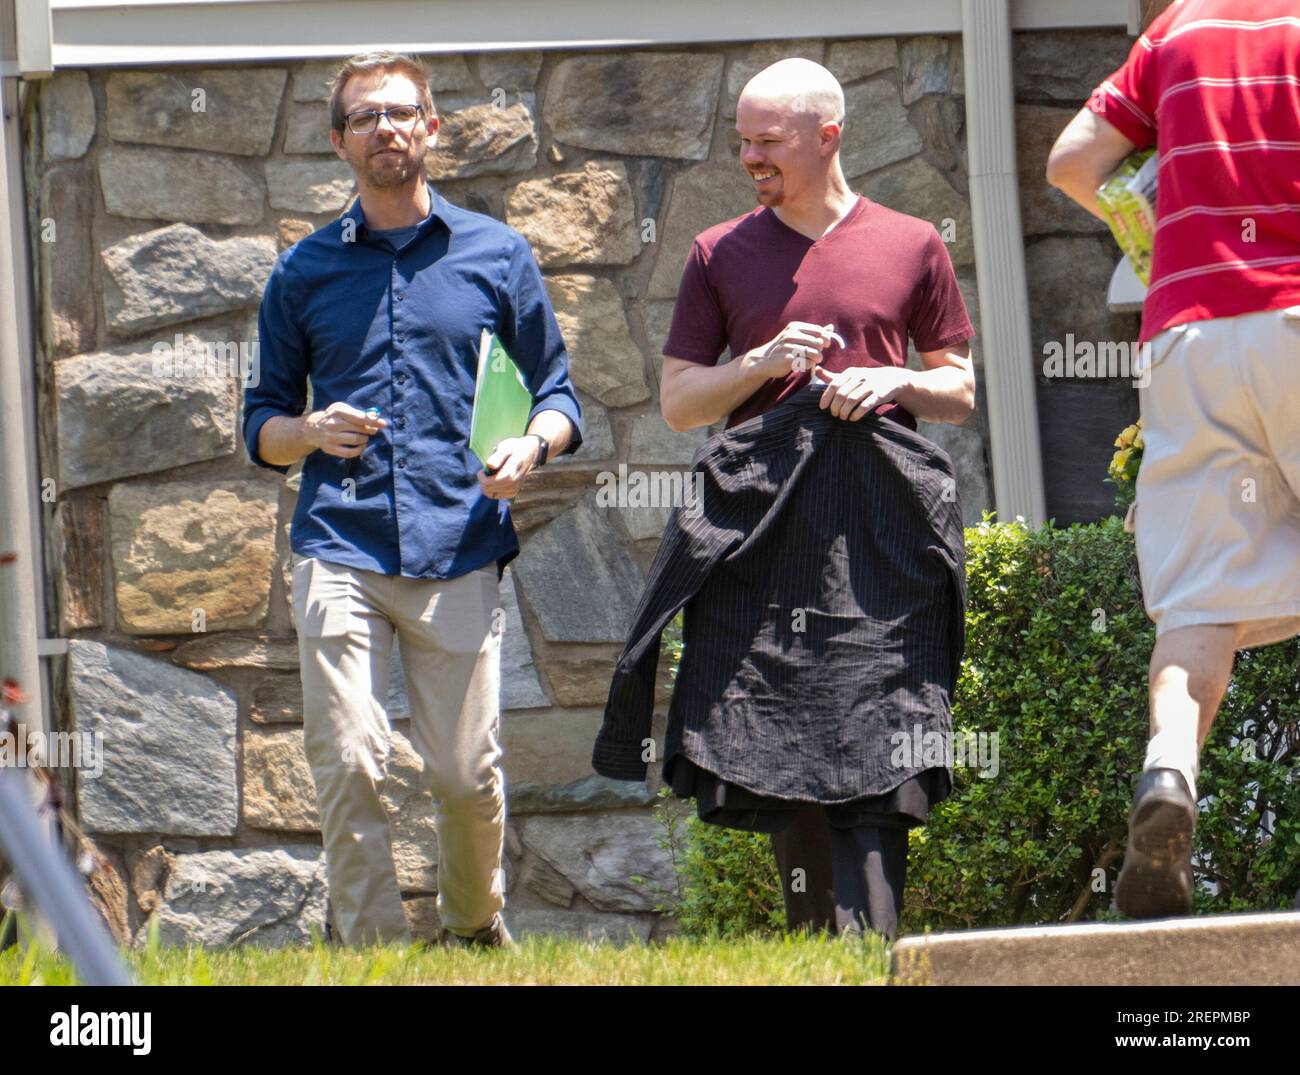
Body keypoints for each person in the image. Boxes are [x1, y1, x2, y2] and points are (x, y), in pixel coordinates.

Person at [242, 51, 582, 947]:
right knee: (350, 758)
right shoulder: (302, 272)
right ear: (339, 142)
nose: (385, 128)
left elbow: (559, 397)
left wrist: (529, 444)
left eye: (401, 112)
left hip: (460, 540)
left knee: (466, 776)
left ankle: (473, 930)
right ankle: (368, 950)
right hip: (337, 542)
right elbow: (261, 426)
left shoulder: (497, 254)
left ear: (431, 128)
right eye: (365, 117)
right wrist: (311, 432)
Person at [647, 57, 975, 939]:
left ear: (828, 134)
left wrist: (890, 378)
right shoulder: (720, 251)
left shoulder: (912, 242)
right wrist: (758, 364)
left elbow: (960, 387)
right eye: (741, 140)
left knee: (881, 706)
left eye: (768, 140)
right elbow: (681, 404)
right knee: (782, 719)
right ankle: (816, 950)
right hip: (765, 530)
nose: (750, 155)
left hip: (880, 529)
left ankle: (873, 943)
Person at [1047, 0, 1300, 917]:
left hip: (1192, 338)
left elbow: (1072, 162)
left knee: (1199, 599)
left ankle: (1170, 768)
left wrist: (1156, 226)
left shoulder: (1176, 31)